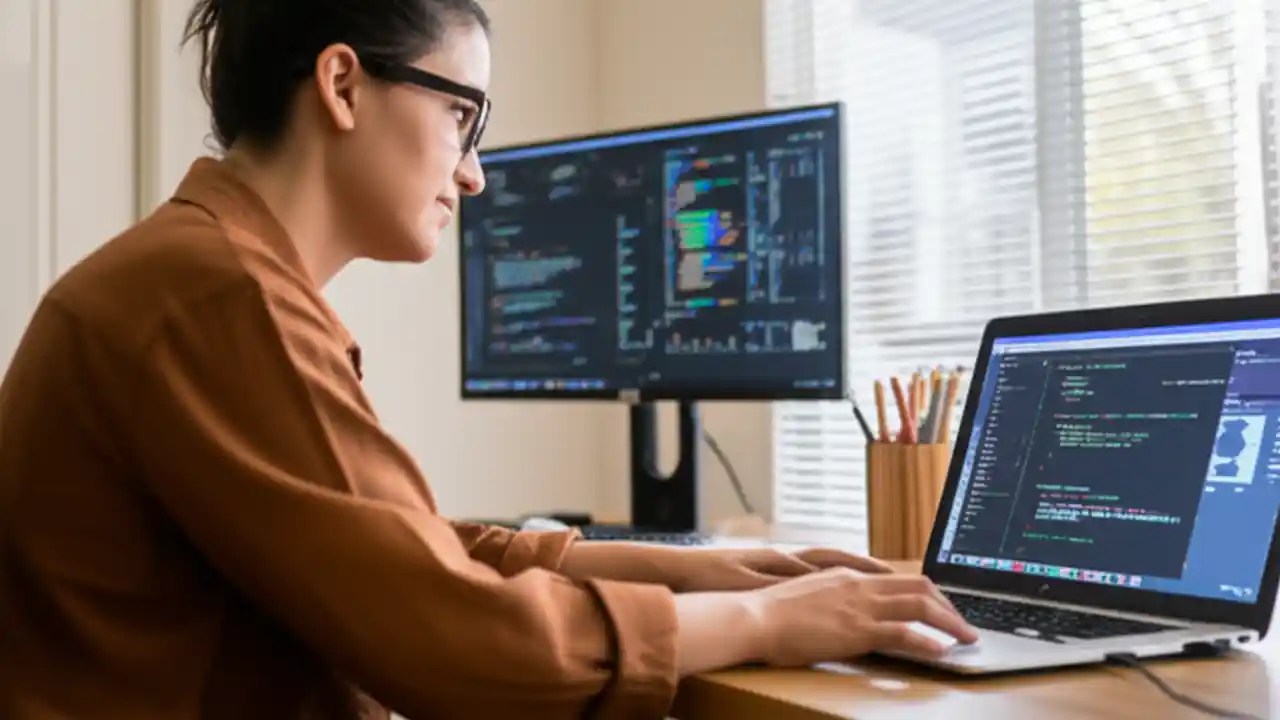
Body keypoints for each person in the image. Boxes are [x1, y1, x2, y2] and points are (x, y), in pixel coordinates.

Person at [0, 1, 977, 718]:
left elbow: (400, 552)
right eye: (462, 116)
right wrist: (769, 625)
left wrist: (718, 577)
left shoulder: (205, 273)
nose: (472, 170)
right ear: (342, 85)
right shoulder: (217, 297)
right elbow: (463, 643)